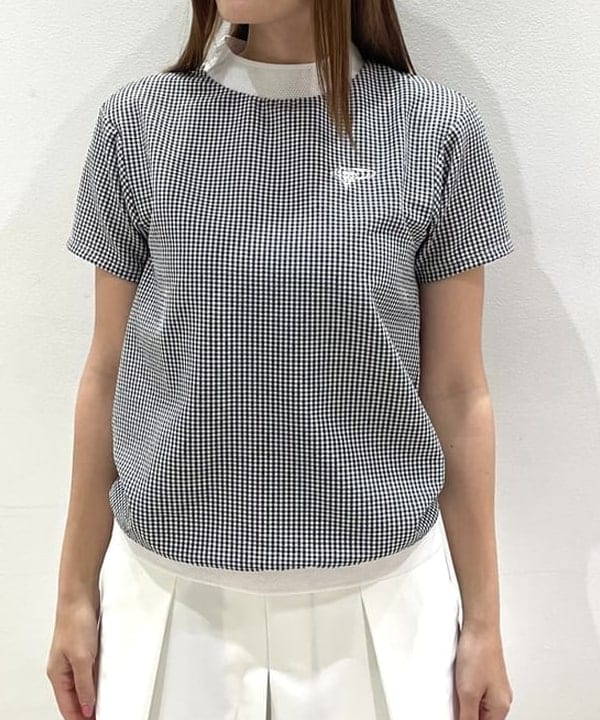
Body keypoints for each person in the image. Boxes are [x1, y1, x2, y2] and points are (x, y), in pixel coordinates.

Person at [46, 1, 515, 718]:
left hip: (384, 603)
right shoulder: (138, 124)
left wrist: (484, 622)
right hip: (168, 601)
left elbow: (457, 392)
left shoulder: (436, 128)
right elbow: (106, 371)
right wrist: (74, 596)